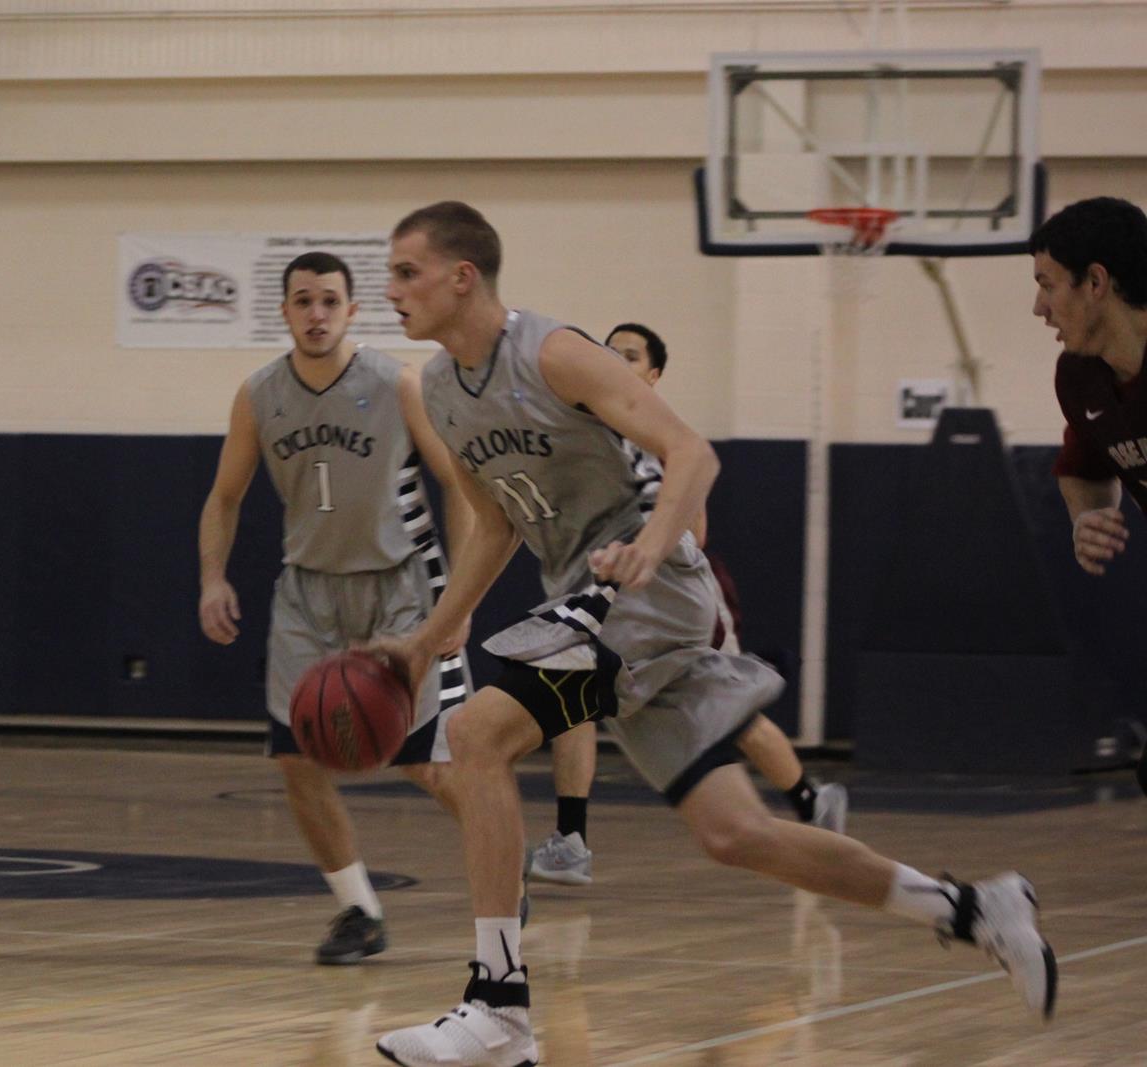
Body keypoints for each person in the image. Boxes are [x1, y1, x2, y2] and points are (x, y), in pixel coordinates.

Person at [372, 201, 1055, 1067]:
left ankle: (498, 1005)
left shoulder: (550, 351)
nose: (392, 290)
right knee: (735, 833)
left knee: (474, 735)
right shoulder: (439, 389)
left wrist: (652, 547)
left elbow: (694, 452)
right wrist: (429, 636)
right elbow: (494, 525)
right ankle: (972, 909)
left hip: (650, 589)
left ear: (460, 275)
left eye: (405, 271)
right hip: (594, 597)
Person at [198, 250, 483, 965]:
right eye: (303, 301)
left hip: (398, 588)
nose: (317, 313)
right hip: (307, 592)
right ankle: (358, 910)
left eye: (329, 300)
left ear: (352, 310)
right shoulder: (258, 394)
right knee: (295, 756)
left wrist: (458, 600)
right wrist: (212, 577)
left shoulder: (398, 382)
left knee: (430, 763)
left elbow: (463, 487)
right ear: (286, 311)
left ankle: (504, 869)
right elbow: (224, 496)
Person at [528, 322, 846, 887]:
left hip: (674, 592)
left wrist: (638, 556)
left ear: (653, 376)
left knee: (727, 716)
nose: (614, 363)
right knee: (567, 698)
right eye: (609, 354)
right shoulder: (592, 427)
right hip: (603, 592)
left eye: (629, 356)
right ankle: (571, 838)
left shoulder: (660, 432)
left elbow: (692, 531)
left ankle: (809, 798)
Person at [1030, 194, 1147, 796]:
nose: (1038, 307)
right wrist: (1089, 518)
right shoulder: (1079, 375)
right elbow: (1083, 462)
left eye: (1048, 285)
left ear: (1096, 281)